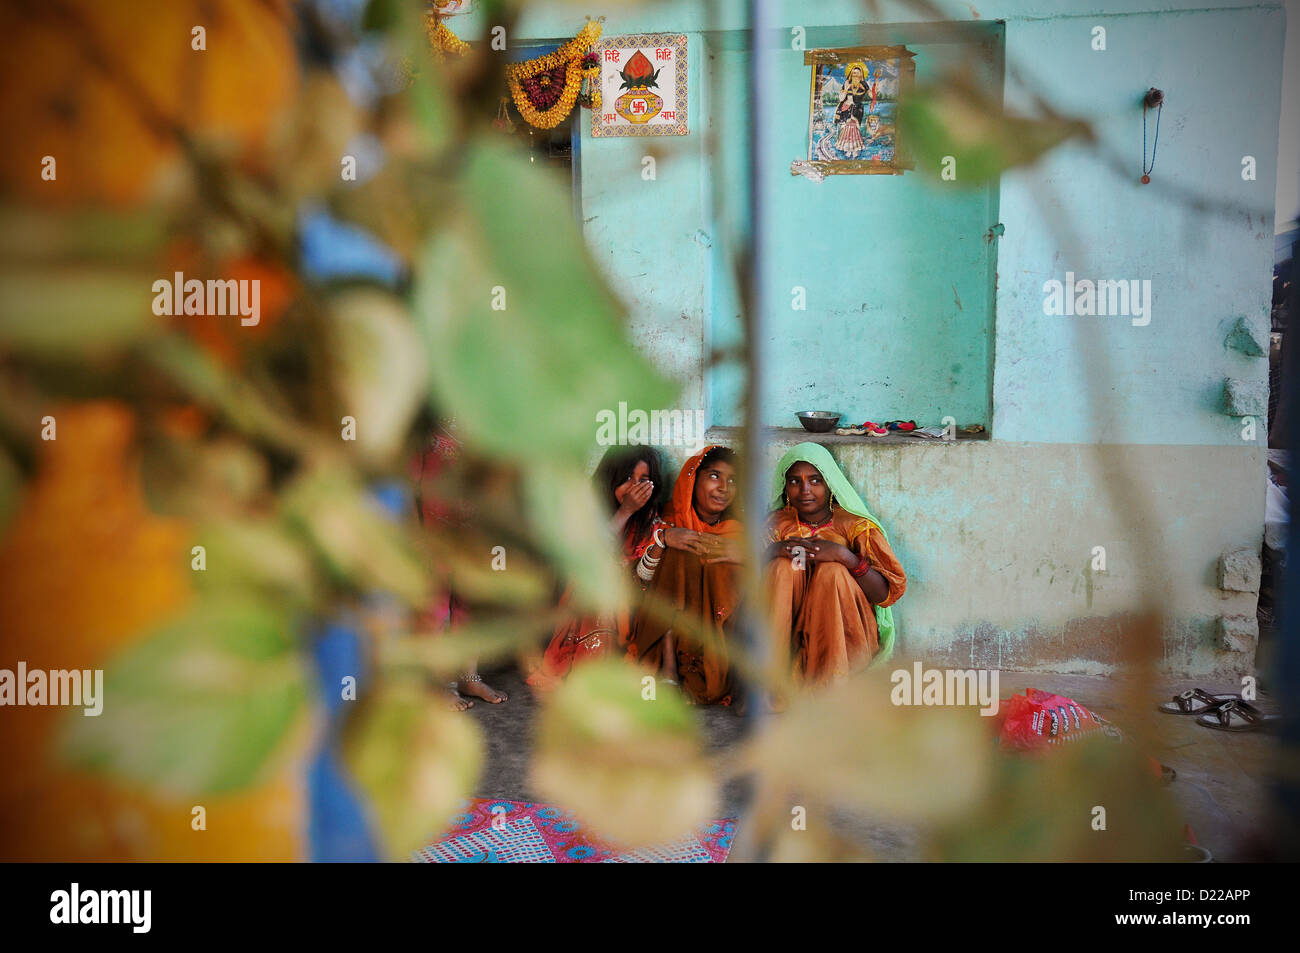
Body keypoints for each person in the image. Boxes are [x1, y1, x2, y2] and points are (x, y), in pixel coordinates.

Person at [526, 445, 668, 689]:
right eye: (626, 479)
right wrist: (625, 511)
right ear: (610, 480)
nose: (634, 487)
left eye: (643, 480)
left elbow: (649, 568)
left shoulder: (653, 521)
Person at [766, 442, 906, 684]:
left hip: (845, 632)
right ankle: (773, 681)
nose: (805, 489)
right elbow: (743, 581)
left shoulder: (855, 526)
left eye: (815, 480)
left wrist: (845, 557)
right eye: (794, 481)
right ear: (785, 486)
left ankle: (833, 682)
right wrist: (772, 552)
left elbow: (885, 595)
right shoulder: (776, 525)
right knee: (782, 567)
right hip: (791, 628)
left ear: (830, 483)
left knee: (832, 572)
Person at [628, 445, 743, 705]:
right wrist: (664, 539)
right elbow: (641, 579)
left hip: (718, 635)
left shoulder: (739, 531)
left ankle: (712, 669)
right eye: (714, 476)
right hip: (666, 627)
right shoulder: (665, 520)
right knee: (678, 552)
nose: (724, 487)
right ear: (693, 478)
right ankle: (668, 670)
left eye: (732, 480)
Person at [411, 423, 508, 710]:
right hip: (433, 539)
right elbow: (411, 489)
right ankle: (440, 686)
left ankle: (468, 677)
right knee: (436, 608)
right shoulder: (425, 439)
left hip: (468, 536)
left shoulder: (477, 435)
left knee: (467, 607)